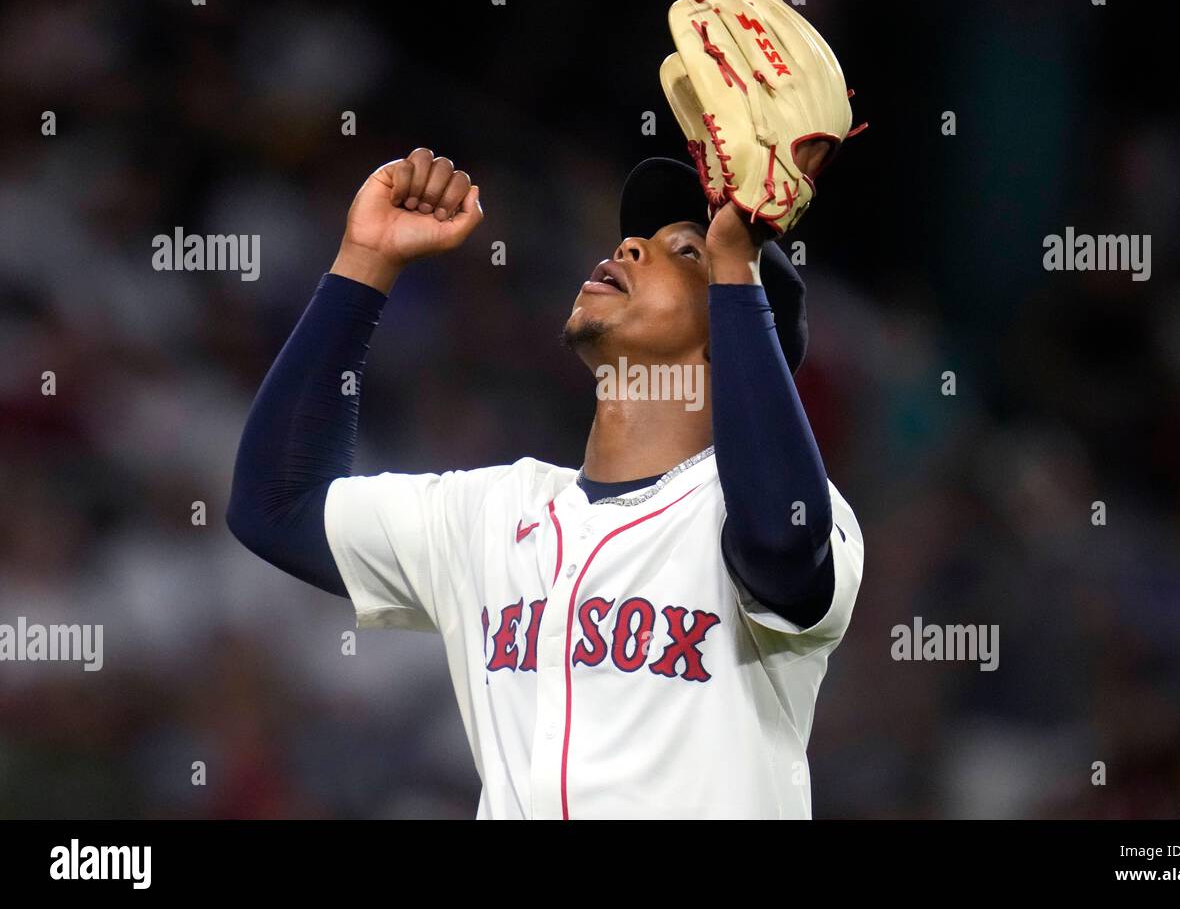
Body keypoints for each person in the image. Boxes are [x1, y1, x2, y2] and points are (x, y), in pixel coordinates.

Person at [227, 145, 864, 818]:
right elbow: (276, 504)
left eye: (685, 253)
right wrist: (365, 262)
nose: (630, 247)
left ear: (728, 337)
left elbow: (779, 544)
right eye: (635, 238)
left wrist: (736, 265)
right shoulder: (492, 514)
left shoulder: (804, 515)